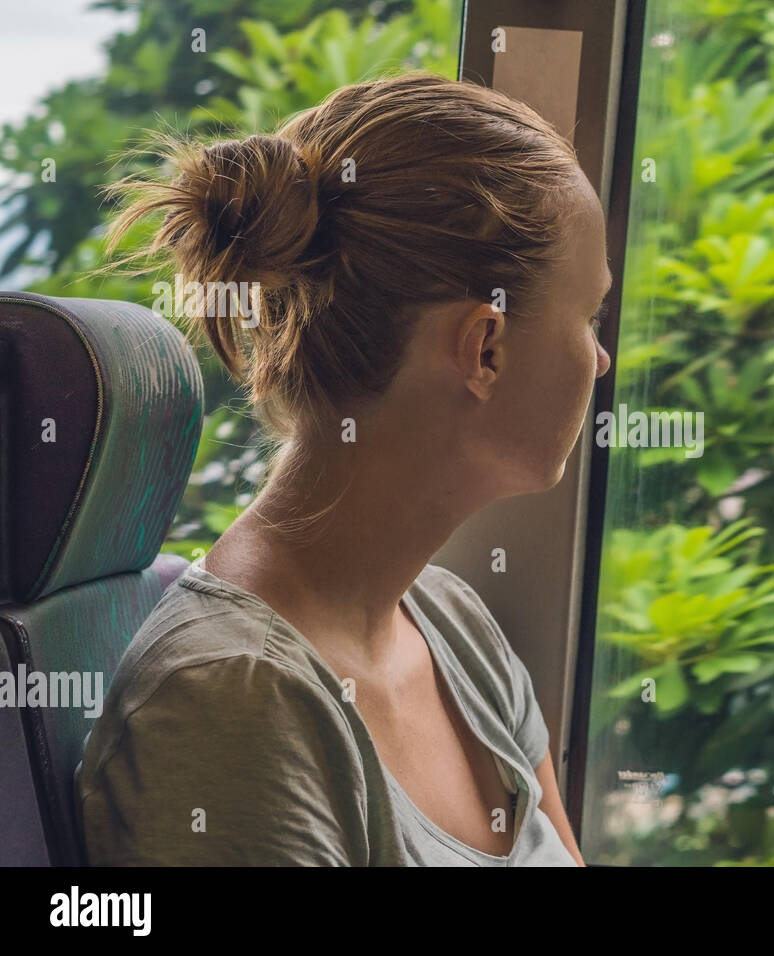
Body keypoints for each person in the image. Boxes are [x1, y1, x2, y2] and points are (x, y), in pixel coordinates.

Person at [74, 71, 612, 866]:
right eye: (590, 315)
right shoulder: (232, 704)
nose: (599, 360)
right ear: (484, 347)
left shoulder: (450, 623)